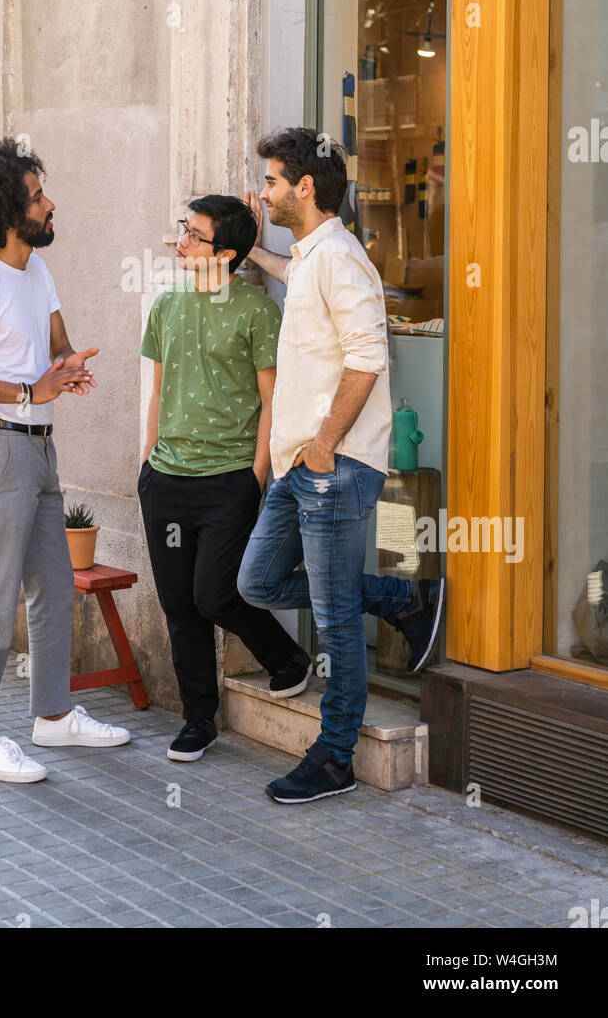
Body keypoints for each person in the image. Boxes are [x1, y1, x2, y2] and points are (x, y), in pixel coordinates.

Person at [237, 128, 444, 803]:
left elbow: (367, 355)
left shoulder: (342, 258)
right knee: (258, 582)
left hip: (332, 464)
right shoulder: (312, 256)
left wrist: (325, 442)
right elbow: (291, 271)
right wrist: (250, 251)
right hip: (301, 464)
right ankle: (398, 597)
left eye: (271, 181)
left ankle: (334, 757)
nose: (264, 191)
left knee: (331, 622)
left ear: (305, 186)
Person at [0, 137, 130, 784]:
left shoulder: (35, 271)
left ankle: (52, 715)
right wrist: (25, 390)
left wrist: (63, 369)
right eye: (38, 197)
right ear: (9, 212)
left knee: (54, 583)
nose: (50, 205)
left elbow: (54, 345)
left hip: (37, 447)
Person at [138, 196, 313, 764]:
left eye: (195, 234)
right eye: (183, 229)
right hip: (165, 480)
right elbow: (158, 391)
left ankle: (288, 658)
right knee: (178, 606)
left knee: (214, 593)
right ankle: (198, 719)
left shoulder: (258, 312)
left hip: (227, 480)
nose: (181, 241)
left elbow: (272, 401)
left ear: (229, 253)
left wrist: (254, 478)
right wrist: (146, 464)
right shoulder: (166, 307)